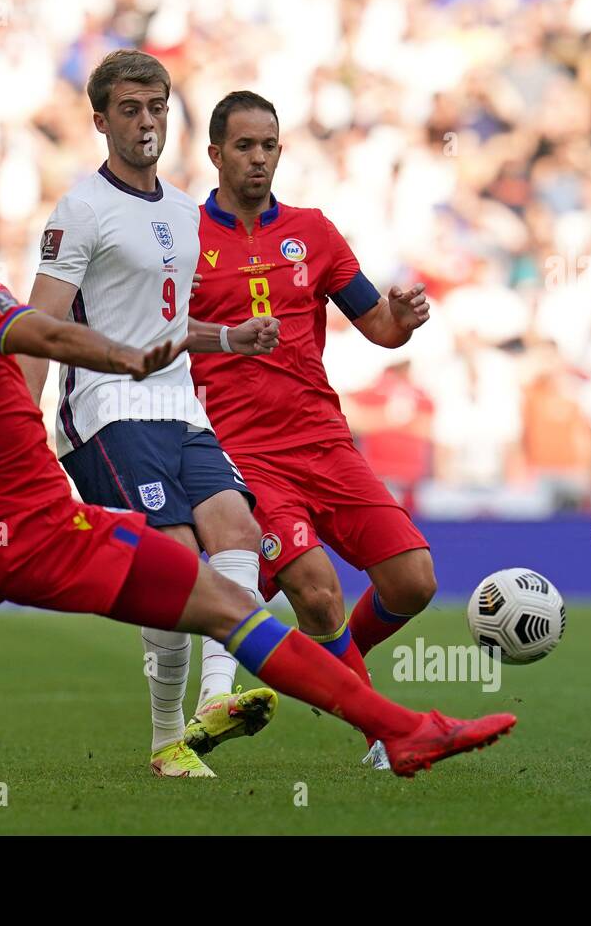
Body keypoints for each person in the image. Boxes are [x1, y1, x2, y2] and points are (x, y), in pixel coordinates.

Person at [0, 143, 516, 805]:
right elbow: (48, 332)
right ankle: (401, 728)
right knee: (231, 608)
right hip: (43, 536)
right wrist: (125, 356)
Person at [19, 51, 282, 777]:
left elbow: (166, 323)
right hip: (107, 407)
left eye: (157, 107)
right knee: (173, 560)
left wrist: (227, 338)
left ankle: (214, 702)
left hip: (179, 402)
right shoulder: (81, 210)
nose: (146, 122)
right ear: (101, 121)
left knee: (238, 532)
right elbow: (39, 326)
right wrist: (24, 430)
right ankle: (167, 739)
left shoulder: (184, 211)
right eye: (130, 109)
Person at [189, 92, 437, 770]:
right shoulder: (182, 238)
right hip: (242, 457)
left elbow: (379, 326)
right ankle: (384, 733)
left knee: (413, 581)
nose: (259, 158)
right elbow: (154, 333)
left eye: (269, 145)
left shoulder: (314, 231)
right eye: (244, 146)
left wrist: (402, 317)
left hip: (325, 442)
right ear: (215, 154)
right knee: (319, 590)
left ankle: (326, 665)